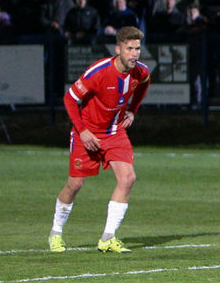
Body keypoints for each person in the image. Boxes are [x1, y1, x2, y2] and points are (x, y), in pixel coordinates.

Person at [47, 26, 151, 253]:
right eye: (129, 48)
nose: (134, 54)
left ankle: (107, 238)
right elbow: (69, 98)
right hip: (88, 133)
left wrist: (133, 111)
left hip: (114, 132)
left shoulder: (140, 72)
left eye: (137, 49)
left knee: (128, 177)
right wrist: (82, 131)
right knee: (75, 184)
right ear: (118, 49)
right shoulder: (99, 72)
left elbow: (144, 84)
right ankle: (56, 233)